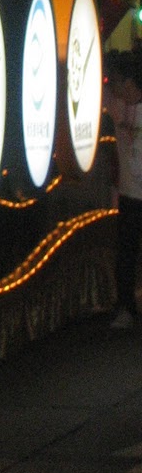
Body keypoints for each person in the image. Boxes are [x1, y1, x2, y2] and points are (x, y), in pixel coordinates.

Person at [104, 49, 142, 329]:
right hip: (130, 195)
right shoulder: (117, 106)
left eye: (116, 83)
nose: (113, 89)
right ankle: (126, 308)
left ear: (129, 83)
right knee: (126, 253)